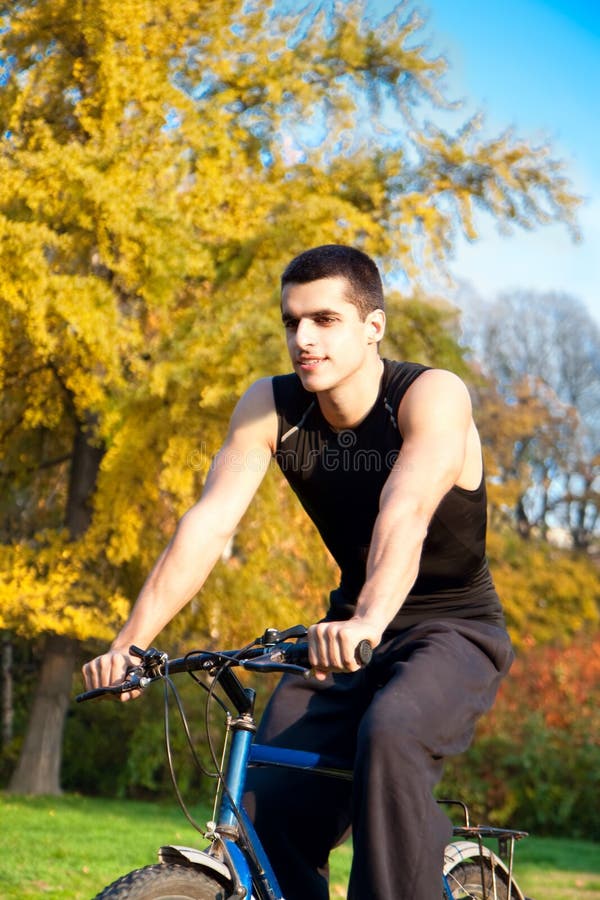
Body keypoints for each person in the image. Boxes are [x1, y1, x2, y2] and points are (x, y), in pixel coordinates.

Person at [83, 244, 514, 900]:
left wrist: (369, 618)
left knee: (392, 731)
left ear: (374, 326)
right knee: (267, 795)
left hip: (452, 628)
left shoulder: (431, 397)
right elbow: (207, 525)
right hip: (345, 630)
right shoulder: (271, 408)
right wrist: (128, 647)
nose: (302, 338)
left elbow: (405, 512)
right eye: (291, 322)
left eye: (324, 320)